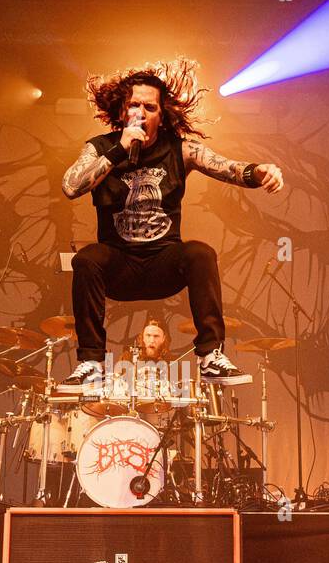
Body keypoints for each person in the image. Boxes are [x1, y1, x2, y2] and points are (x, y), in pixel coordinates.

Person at [58, 57, 283, 393]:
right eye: (133, 105)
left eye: (149, 107)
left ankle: (210, 356)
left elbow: (226, 167)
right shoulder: (100, 147)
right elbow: (71, 186)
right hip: (119, 266)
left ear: (161, 115)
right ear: (121, 112)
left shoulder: (180, 149)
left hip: (162, 265)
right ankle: (91, 363)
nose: (140, 113)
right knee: (87, 258)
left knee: (200, 253)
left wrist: (259, 172)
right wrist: (118, 152)